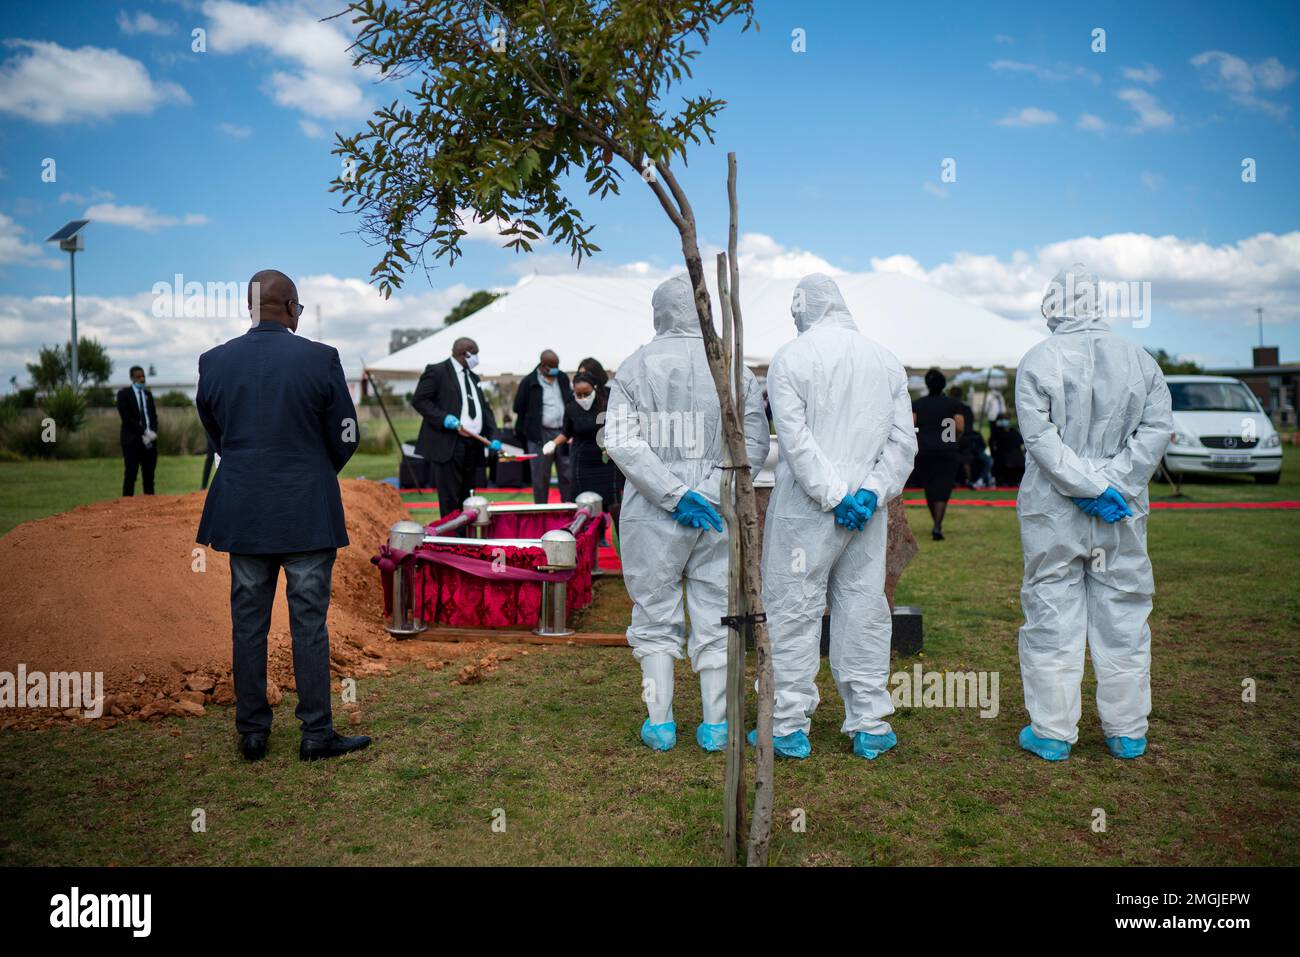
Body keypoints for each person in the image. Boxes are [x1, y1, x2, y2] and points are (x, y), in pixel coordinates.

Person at [195, 269, 370, 762]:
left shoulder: (214, 362)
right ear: (292, 306)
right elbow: (347, 433)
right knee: (308, 623)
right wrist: (316, 470)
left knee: (247, 623)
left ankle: (252, 733)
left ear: (250, 308)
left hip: (243, 509)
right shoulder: (320, 358)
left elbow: (215, 432)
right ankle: (316, 733)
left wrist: (246, 464)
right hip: (306, 513)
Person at [604, 275, 769, 753]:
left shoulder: (635, 367)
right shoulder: (732, 367)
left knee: (654, 615)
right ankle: (717, 723)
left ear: (658, 312)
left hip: (652, 512)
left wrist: (674, 494)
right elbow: (754, 441)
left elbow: (621, 440)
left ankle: (661, 721)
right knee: (717, 612)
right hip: (718, 510)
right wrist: (713, 491)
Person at [1015, 264, 1172, 762]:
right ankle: (1126, 730)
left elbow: (1039, 439)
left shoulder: (1039, 360)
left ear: (1054, 303)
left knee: (1051, 611)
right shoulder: (1140, 360)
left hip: (1053, 509)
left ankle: (1053, 731)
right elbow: (1156, 430)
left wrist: (1082, 485)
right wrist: (1114, 485)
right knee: (1123, 612)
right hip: (1120, 511)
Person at [758, 273, 917, 761]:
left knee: (792, 609)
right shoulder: (885, 360)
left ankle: (788, 724)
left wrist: (833, 495)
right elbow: (903, 442)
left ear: (804, 307)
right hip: (866, 513)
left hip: (805, 510)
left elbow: (795, 441)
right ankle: (869, 721)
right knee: (864, 607)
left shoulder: (791, 357)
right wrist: (869, 494)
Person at [411, 337, 503, 519]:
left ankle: (465, 537)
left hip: (472, 444)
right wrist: (444, 418)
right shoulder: (437, 371)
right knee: (450, 497)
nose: (477, 358)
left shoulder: (473, 377)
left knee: (467, 497)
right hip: (449, 444)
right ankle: (451, 538)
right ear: (465, 353)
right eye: (475, 354)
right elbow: (420, 400)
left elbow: (484, 409)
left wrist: (494, 435)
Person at [546, 370, 622, 527]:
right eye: (578, 395)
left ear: (594, 388)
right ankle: (594, 536)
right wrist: (553, 443)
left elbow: (618, 428)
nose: (582, 398)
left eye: (586, 394)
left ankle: (623, 540)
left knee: (613, 503)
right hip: (582, 462)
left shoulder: (606, 404)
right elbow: (566, 433)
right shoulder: (571, 408)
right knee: (585, 502)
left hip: (606, 461)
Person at [512, 349, 573, 504]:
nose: (556, 369)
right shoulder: (529, 382)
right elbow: (518, 407)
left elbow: (570, 401)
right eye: (553, 366)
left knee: (567, 473)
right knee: (540, 475)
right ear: (543, 366)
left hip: (563, 432)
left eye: (557, 365)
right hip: (539, 435)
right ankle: (541, 509)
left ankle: (568, 507)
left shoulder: (562, 378)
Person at [911, 368, 963, 540]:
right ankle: (937, 525)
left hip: (924, 450)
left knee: (930, 487)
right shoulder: (953, 403)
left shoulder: (918, 404)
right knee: (943, 487)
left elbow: (910, 425)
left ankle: (936, 523)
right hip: (947, 450)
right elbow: (960, 426)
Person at [116, 366, 158, 496]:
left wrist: (153, 432)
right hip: (132, 439)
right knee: (131, 473)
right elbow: (126, 417)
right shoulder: (124, 394)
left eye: (143, 376)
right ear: (132, 378)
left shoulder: (147, 394)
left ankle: (149, 504)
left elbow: (153, 415)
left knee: (149, 475)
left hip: (149, 441)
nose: (142, 379)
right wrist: (143, 432)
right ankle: (127, 504)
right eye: (138, 376)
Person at [988, 415, 1026, 487]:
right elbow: (991, 444)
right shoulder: (996, 433)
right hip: (1003, 456)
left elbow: (1021, 443)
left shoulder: (1014, 432)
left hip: (1015, 456)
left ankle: (1015, 481)